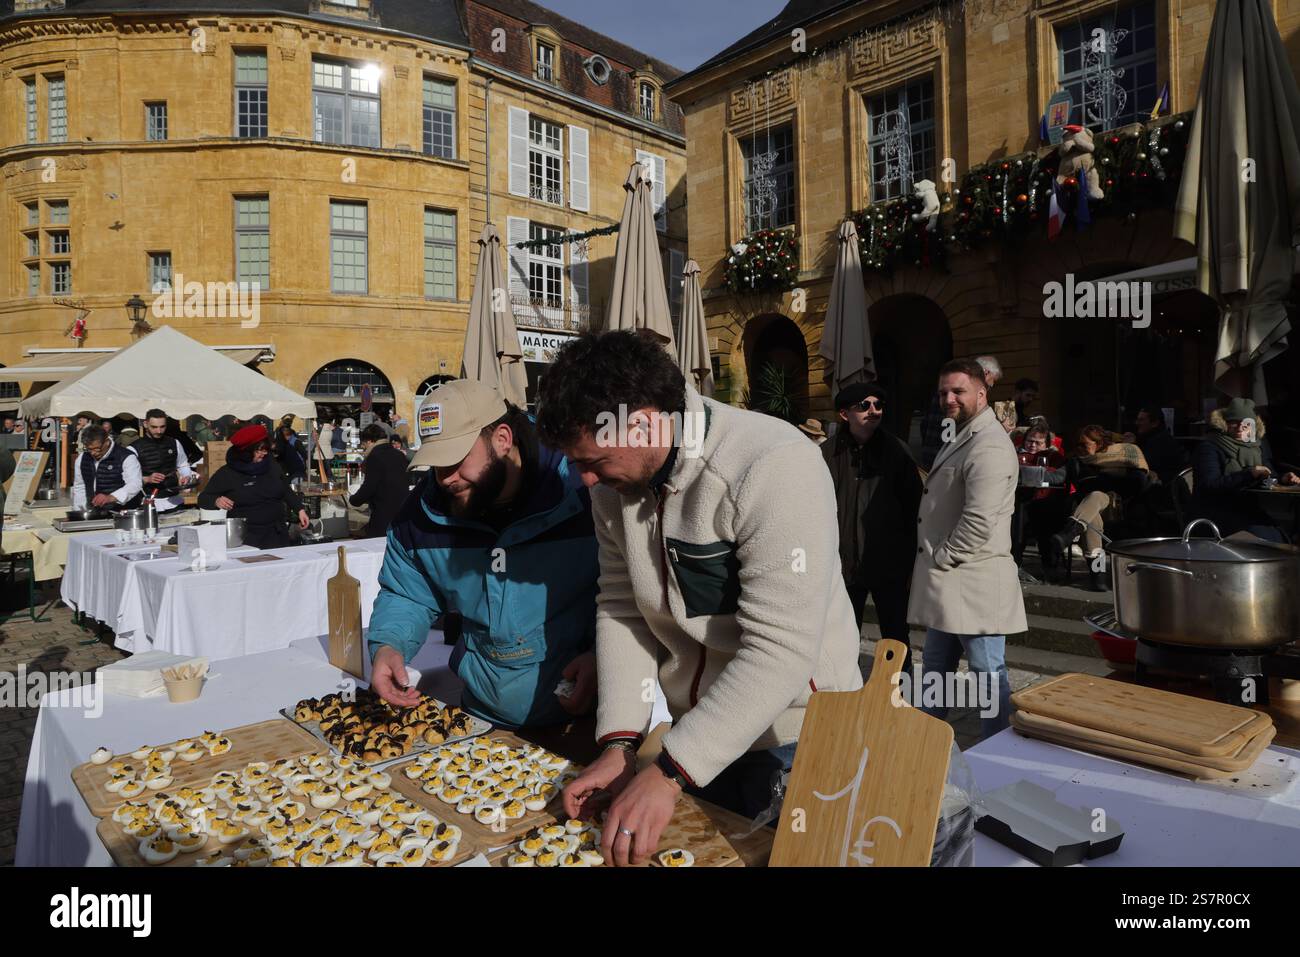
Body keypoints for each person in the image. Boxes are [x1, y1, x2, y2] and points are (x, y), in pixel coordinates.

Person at [537, 330, 862, 865]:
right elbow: (622, 608)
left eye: (593, 460)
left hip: (796, 741)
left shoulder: (772, 464)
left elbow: (779, 650)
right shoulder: (609, 490)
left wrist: (667, 773)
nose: (584, 478)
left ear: (642, 421)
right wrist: (619, 744)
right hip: (695, 741)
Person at [366, 380, 600, 735]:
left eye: (456, 460)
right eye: (437, 464)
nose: (446, 479)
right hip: (481, 719)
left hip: (587, 722)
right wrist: (388, 645)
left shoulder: (583, 489)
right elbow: (408, 592)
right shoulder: (420, 515)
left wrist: (604, 656)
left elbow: (632, 592)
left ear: (502, 439)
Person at [909, 359, 1026, 741]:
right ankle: (923, 746)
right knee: (937, 669)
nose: (949, 399)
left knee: (988, 678)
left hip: (973, 582)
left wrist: (941, 557)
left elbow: (979, 520)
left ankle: (999, 753)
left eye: (958, 391)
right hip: (952, 584)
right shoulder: (966, 434)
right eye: (944, 392)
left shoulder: (989, 444)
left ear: (981, 392)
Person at [823, 382, 922, 671]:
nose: (873, 411)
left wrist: (911, 561)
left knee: (895, 636)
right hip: (842, 564)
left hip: (888, 563)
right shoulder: (826, 454)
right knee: (842, 635)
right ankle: (843, 692)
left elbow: (915, 508)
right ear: (844, 413)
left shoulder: (897, 451)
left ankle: (898, 697)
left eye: (878, 405)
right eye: (864, 406)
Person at [1046, 425, 1151, 590]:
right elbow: (1057, 477)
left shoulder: (1121, 457)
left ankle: (1073, 536)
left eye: (1085, 444)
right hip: (1085, 509)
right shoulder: (1077, 461)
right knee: (1092, 518)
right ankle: (1098, 576)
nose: (1081, 448)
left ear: (1099, 443)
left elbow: (1138, 484)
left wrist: (1107, 479)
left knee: (1097, 495)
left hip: (1115, 507)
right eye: (1079, 444)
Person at [1192, 397, 1299, 543]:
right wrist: (1249, 474)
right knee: (1266, 538)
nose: (1240, 427)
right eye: (1234, 422)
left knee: (1280, 533)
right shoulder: (1210, 447)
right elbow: (1208, 485)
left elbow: (1268, 473)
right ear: (1224, 424)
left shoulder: (1257, 446)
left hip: (1246, 507)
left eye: (1246, 424)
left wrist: (1283, 479)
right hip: (1215, 510)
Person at [198, 423, 308, 548]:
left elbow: (285, 489)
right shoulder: (227, 473)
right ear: (246, 451)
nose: (264, 453)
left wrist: (299, 509)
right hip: (247, 539)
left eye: (266, 449)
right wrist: (216, 501)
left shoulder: (271, 466)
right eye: (259, 450)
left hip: (277, 535)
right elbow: (203, 498)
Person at [1013, 424, 1069, 571]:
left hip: (1043, 501)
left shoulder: (1054, 457)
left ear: (1047, 444)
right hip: (1015, 501)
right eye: (1030, 441)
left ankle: (1049, 568)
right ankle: (1013, 563)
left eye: (1038, 443)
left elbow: (1059, 477)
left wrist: (1029, 474)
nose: (1032, 445)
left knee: (1042, 519)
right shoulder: (1013, 454)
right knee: (1017, 516)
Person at [348, 423, 412, 538]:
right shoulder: (399, 455)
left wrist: (354, 500)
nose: (364, 449)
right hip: (403, 514)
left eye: (363, 445)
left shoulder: (375, 457)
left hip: (383, 517)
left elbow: (369, 487)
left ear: (369, 441)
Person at [132, 408, 198, 512]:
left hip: (175, 501)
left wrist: (186, 476)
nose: (159, 431)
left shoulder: (174, 443)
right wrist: (147, 479)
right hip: (147, 502)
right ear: (145, 424)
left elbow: (182, 464)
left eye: (162, 427)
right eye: (154, 427)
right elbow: (126, 478)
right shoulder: (133, 448)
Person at [71, 424, 142, 511]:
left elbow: (135, 484)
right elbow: (80, 487)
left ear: (107, 442)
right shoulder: (82, 458)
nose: (93, 453)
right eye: (89, 449)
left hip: (122, 512)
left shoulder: (126, 457)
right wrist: (79, 512)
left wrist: (111, 497)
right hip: (94, 513)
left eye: (97, 449)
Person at [1126, 405, 1187, 486]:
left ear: (1154, 423)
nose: (1137, 423)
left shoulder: (1161, 441)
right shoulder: (1150, 437)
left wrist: (1132, 446)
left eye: (1141, 420)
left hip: (1163, 488)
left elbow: (1143, 466)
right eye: (1137, 419)